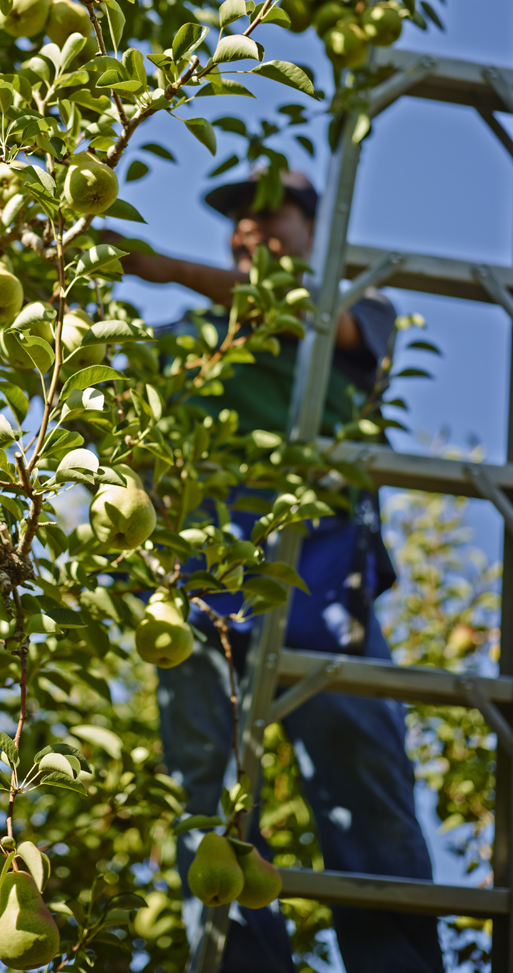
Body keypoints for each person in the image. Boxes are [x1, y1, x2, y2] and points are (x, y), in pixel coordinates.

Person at [105, 171, 444, 973]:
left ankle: (397, 964)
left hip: (317, 567)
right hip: (199, 580)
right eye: (239, 220)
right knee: (209, 789)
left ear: (310, 228)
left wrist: (166, 267)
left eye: (273, 213)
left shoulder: (355, 311)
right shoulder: (188, 340)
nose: (252, 229)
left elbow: (317, 322)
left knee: (361, 773)